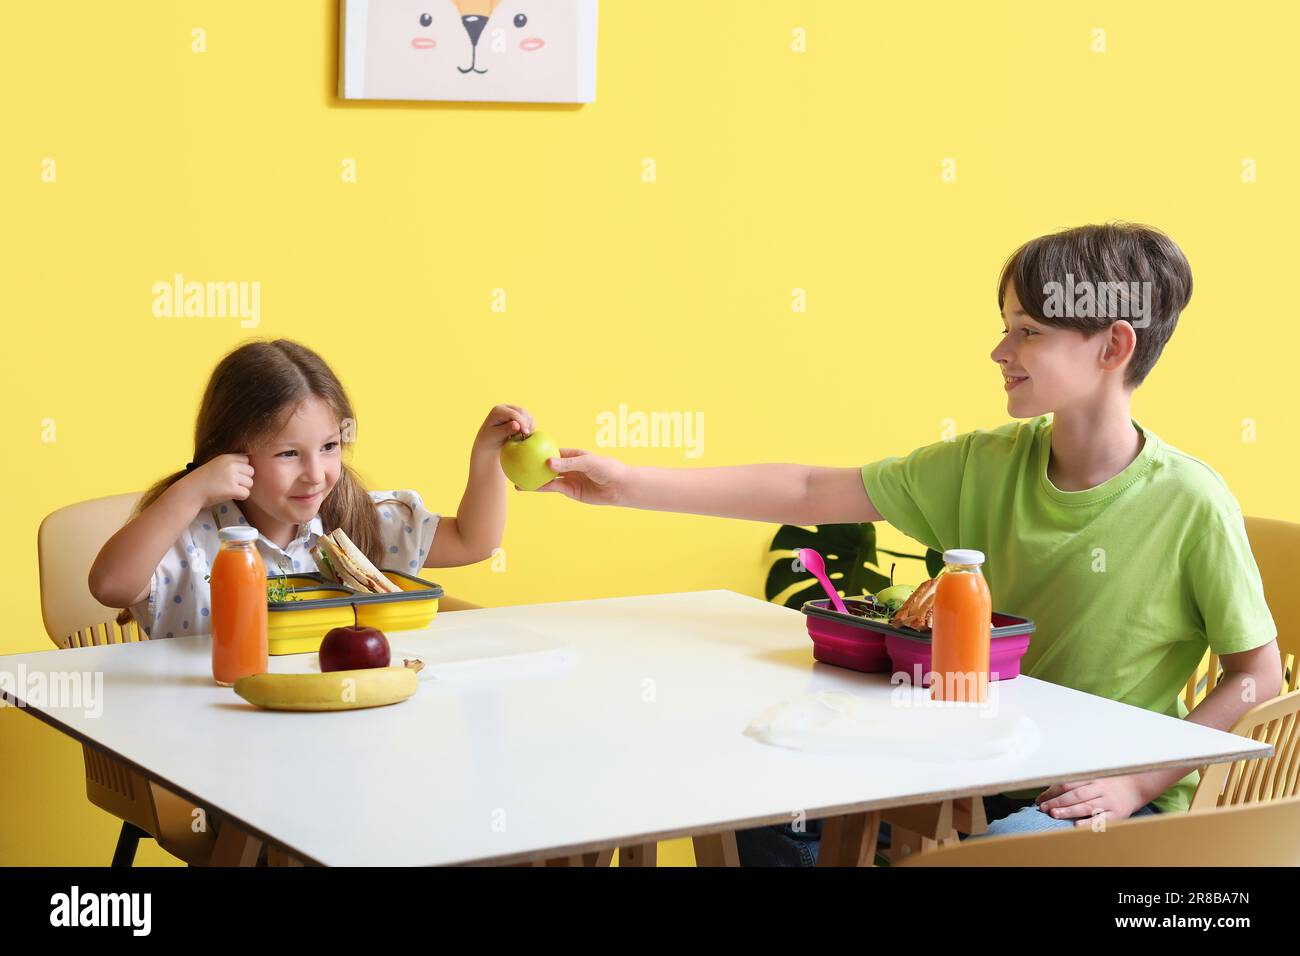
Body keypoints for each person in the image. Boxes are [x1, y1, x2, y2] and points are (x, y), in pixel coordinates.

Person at [528, 223, 1283, 864]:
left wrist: (1138, 782)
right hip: (973, 768)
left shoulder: (1190, 502)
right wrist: (626, 484)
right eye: (1004, 325)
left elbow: (1257, 676)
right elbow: (807, 492)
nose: (999, 350)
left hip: (1102, 800)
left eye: (1028, 332)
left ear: (1112, 347)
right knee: (762, 811)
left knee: (998, 857)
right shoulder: (984, 465)